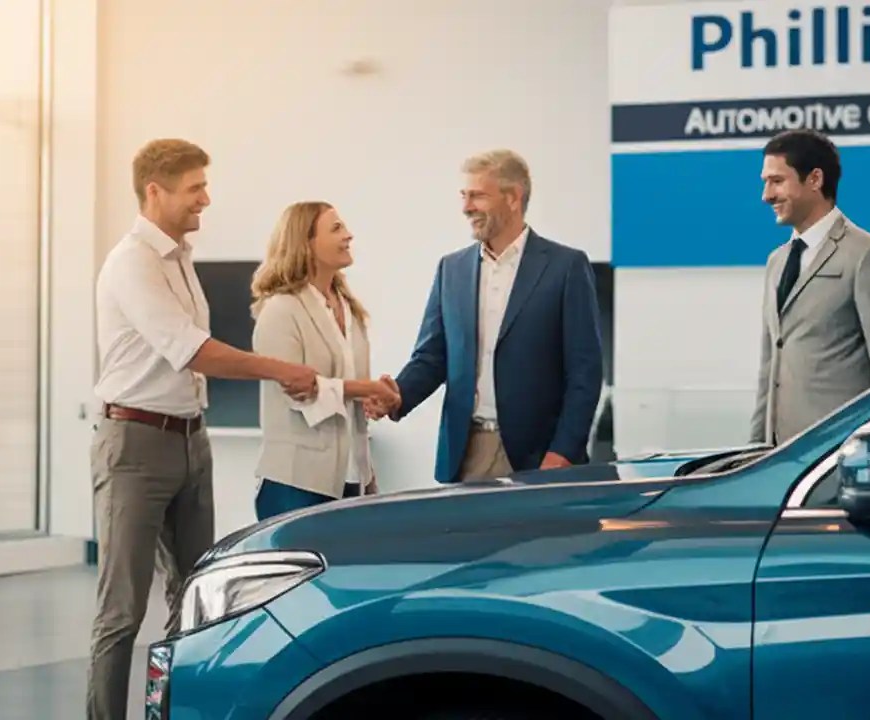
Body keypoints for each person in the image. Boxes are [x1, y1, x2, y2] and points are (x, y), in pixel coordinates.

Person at [87, 138, 319, 720]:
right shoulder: (132, 262)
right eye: (195, 189)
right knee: (121, 611)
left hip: (192, 438)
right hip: (135, 446)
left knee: (194, 597)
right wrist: (280, 370)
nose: (205, 200)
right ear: (154, 192)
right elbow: (192, 350)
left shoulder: (180, 258)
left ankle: (173, 712)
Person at [372, 149, 603, 482]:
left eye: (478, 196)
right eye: (464, 196)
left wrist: (563, 452)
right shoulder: (452, 269)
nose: (466, 207)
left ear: (513, 198)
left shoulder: (566, 267)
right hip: (467, 451)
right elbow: (432, 356)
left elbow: (585, 372)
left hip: (541, 457)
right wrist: (398, 395)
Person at [750, 129, 870, 447]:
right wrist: (755, 449)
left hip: (841, 452)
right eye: (765, 182)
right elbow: (769, 369)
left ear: (815, 179)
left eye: (777, 181)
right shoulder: (776, 261)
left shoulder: (867, 254)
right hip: (780, 457)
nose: (766, 195)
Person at [249, 201, 398, 520]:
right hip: (294, 484)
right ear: (306, 243)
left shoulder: (350, 309)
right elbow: (298, 393)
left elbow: (350, 403)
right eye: (336, 228)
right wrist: (364, 388)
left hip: (352, 480)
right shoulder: (281, 310)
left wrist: (374, 399)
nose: (349, 235)